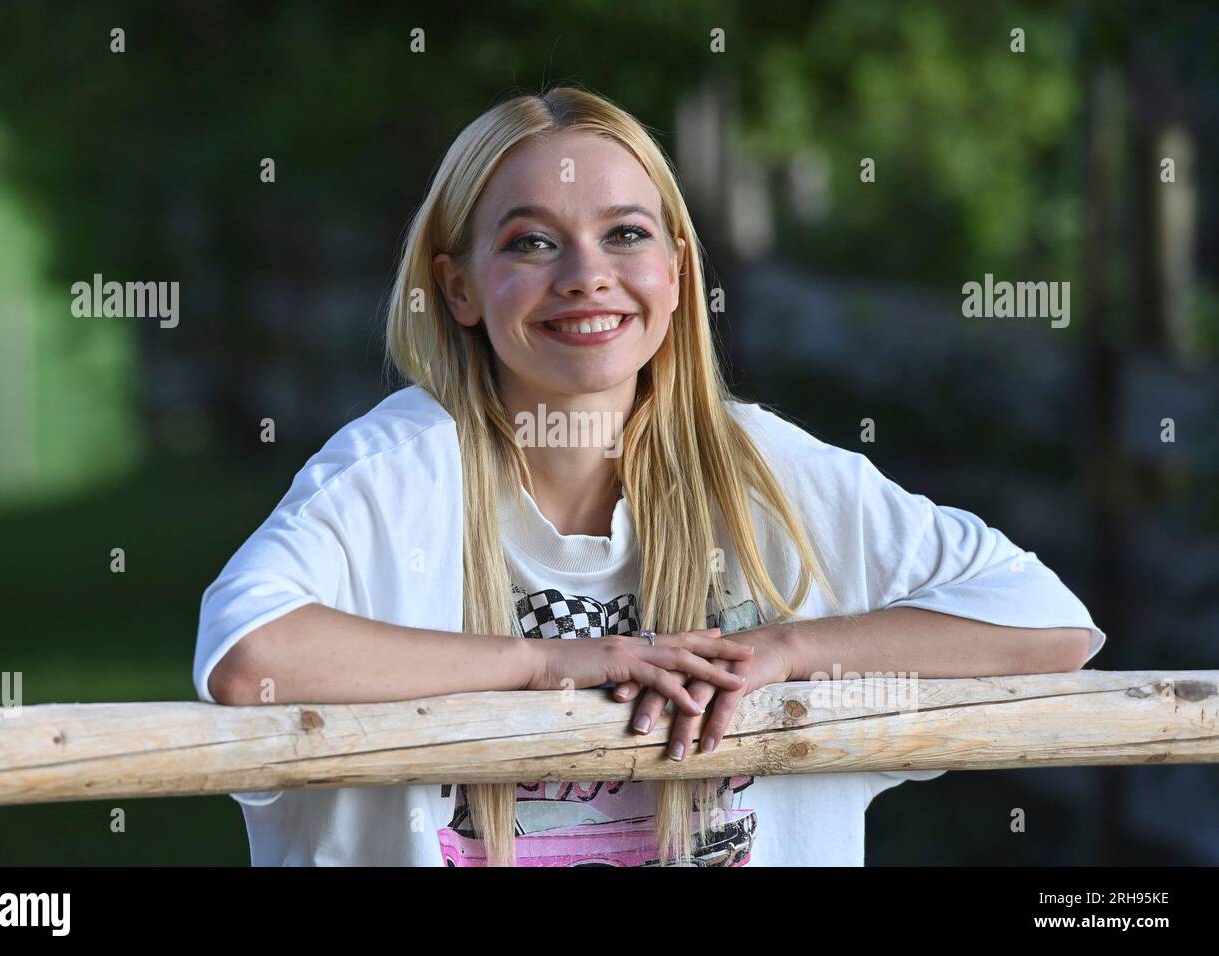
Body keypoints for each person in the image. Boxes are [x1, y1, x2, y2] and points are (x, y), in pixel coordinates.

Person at [192, 85, 1106, 867]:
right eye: (530, 243)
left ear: (675, 269)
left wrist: (787, 651)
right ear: (459, 288)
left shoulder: (755, 468)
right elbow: (251, 658)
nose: (587, 276)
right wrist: (544, 663)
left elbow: (1048, 624)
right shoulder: (400, 471)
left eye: (624, 234)